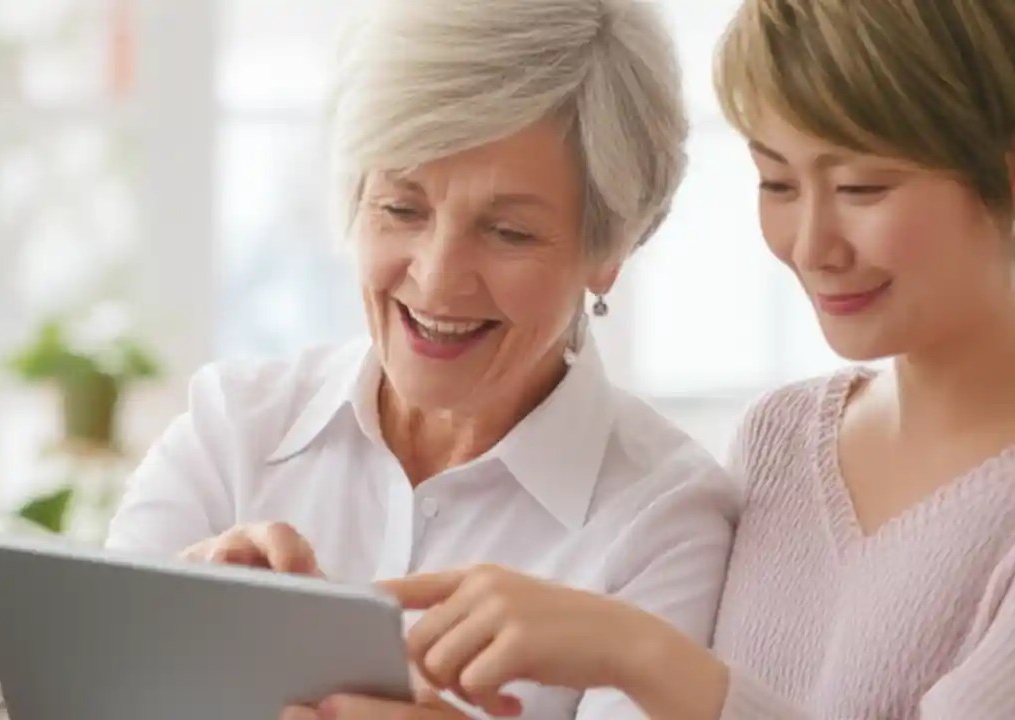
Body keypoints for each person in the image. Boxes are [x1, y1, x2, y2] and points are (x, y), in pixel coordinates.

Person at [322, 0, 1015, 718]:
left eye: (862, 189)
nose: (811, 244)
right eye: (778, 183)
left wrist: (641, 655)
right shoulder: (783, 440)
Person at [105, 0, 739, 717]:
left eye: (507, 232)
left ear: (610, 251)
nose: (437, 278)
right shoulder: (233, 433)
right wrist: (165, 645)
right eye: (402, 210)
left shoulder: (663, 518)